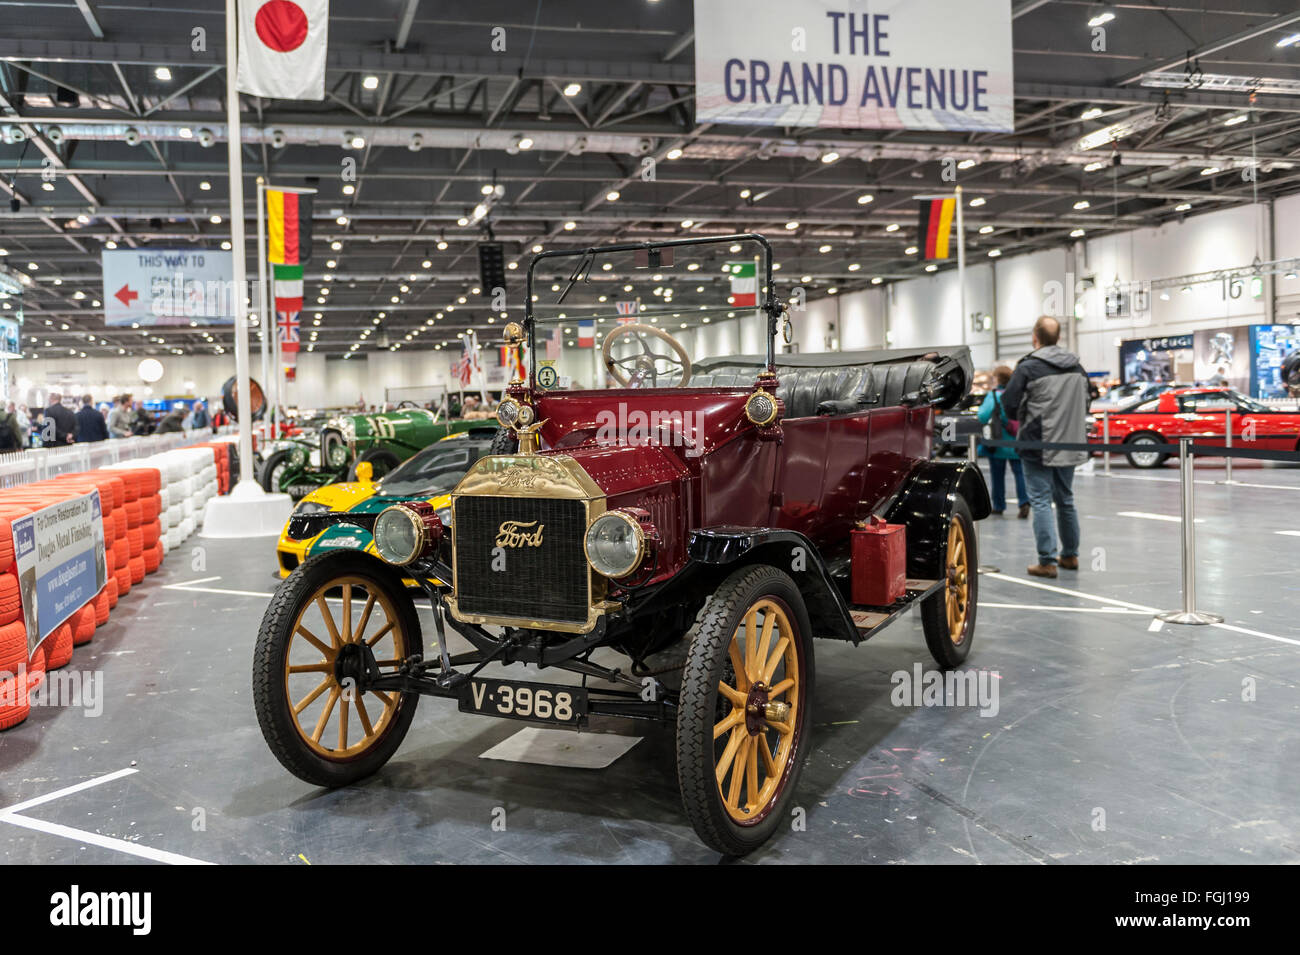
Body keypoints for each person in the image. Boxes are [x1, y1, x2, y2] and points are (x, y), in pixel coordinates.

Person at [1002, 316, 1090, 579]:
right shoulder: (1077, 367)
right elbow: (1088, 401)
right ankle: (1070, 555)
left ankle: (1047, 561)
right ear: (1059, 337)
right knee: (1066, 499)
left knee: (1040, 500)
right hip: (1070, 442)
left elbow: (1009, 403)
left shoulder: (1028, 367)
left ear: (1034, 337)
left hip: (1037, 444)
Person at [977, 366, 1030, 519]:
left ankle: (999, 506)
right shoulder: (1018, 394)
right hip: (1017, 441)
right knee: (1020, 474)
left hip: (998, 442)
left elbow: (982, 415)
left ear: (998, 379)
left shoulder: (994, 396)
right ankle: (1024, 502)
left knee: (997, 475)